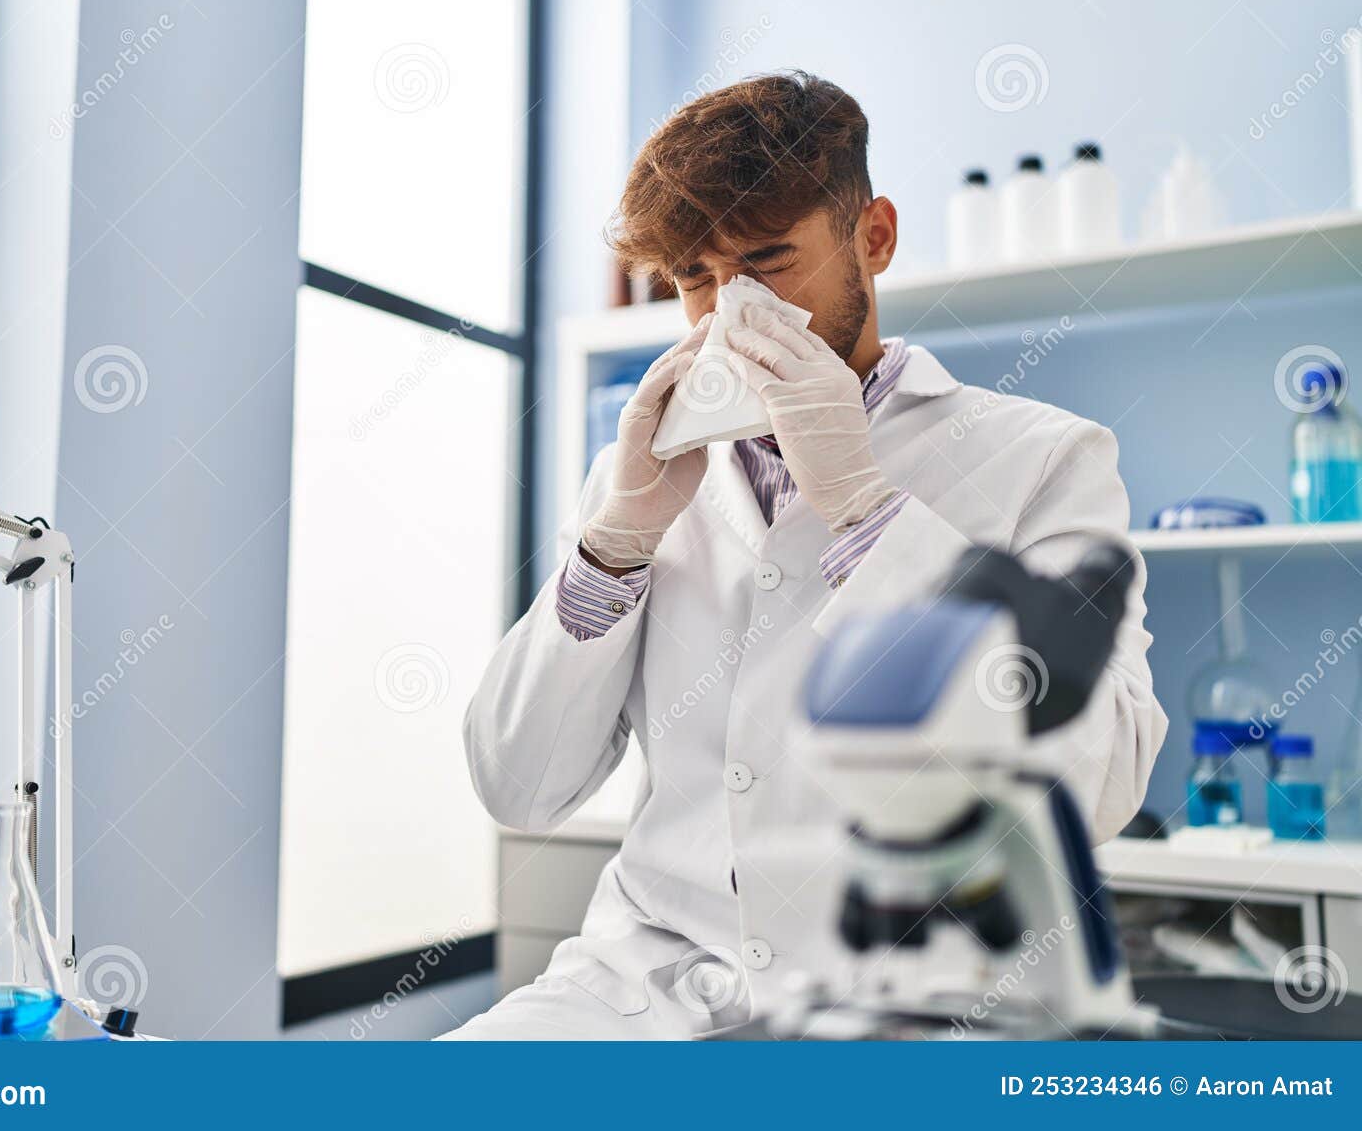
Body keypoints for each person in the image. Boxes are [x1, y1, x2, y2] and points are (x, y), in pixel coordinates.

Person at [445, 71, 1167, 1040]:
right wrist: (608, 551)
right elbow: (516, 784)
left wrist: (869, 515)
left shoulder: (1044, 456)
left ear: (873, 237)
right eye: (693, 277)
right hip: (638, 990)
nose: (724, 314)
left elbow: (1103, 782)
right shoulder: (642, 479)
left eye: (768, 262)